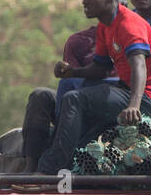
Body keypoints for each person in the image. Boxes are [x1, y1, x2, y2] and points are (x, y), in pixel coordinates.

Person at [36, 0, 151, 174]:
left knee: (74, 99)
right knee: (83, 101)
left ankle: (49, 171)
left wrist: (133, 106)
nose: (84, 2)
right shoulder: (105, 27)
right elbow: (101, 69)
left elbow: (139, 66)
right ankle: (68, 167)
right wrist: (72, 72)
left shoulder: (128, 24)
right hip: (132, 90)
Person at [21, 26, 101, 172]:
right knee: (41, 95)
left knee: (73, 97)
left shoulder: (128, 37)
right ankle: (30, 165)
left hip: (106, 101)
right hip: (76, 100)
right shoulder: (79, 41)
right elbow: (71, 78)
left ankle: (53, 162)